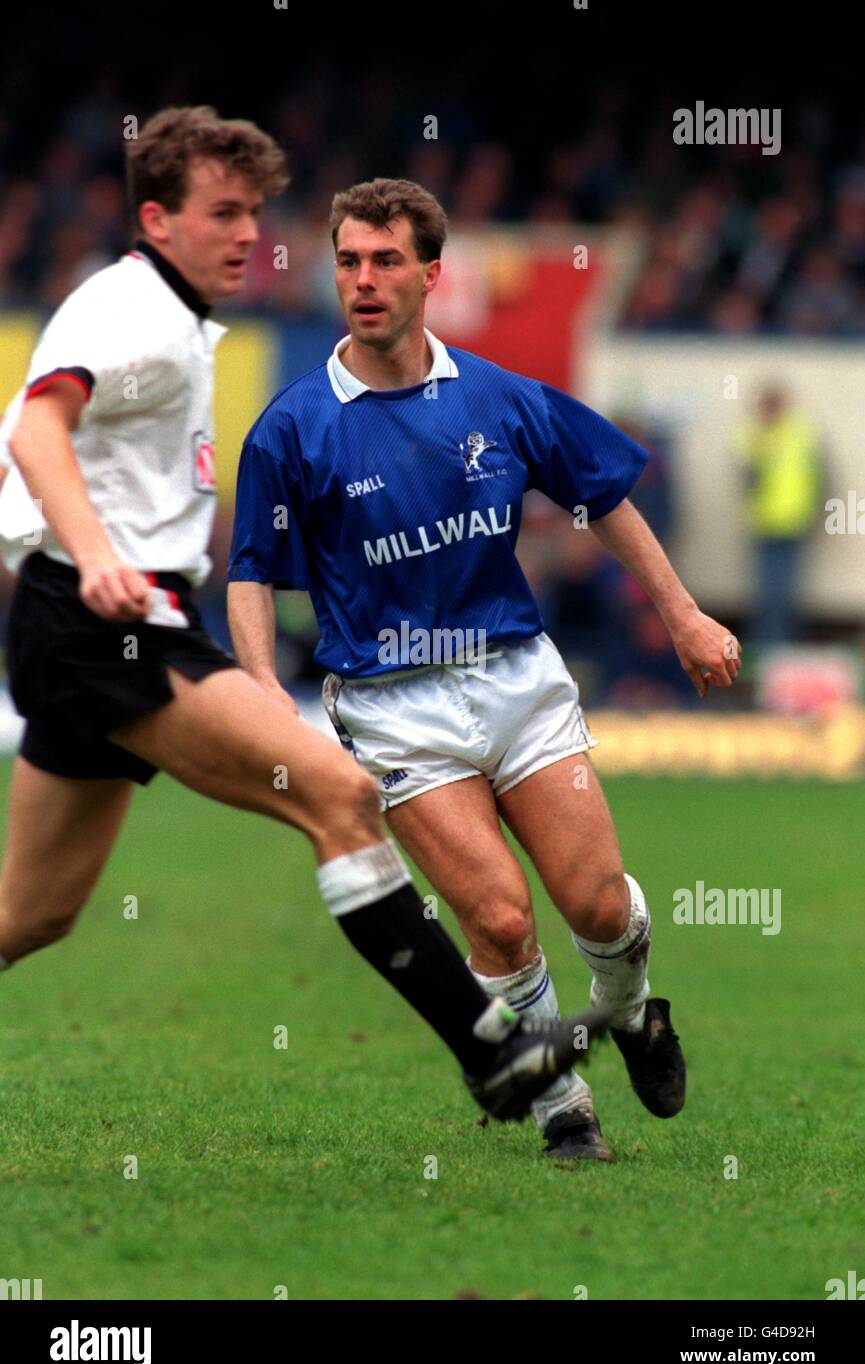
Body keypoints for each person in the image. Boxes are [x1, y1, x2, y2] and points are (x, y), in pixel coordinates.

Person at [0, 116, 601, 1127]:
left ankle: (492, 1053)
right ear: (157, 218)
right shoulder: (131, 309)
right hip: (105, 621)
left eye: (255, 212)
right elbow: (35, 427)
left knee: (31, 914)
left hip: (106, 621)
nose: (248, 234)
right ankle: (490, 1051)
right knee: (334, 790)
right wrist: (98, 553)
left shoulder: (176, 316)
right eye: (223, 213)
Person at [227, 178, 742, 1164]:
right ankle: (564, 1110)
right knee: (500, 920)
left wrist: (679, 611)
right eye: (348, 261)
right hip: (393, 708)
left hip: (516, 679)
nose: (364, 280)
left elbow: (601, 493)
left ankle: (630, 1012)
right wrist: (259, 692)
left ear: (431, 273)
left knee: (597, 905)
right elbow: (251, 571)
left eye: (385, 261)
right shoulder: (292, 428)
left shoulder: (499, 396)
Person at [736, 384, 823, 645]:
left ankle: (778, 642)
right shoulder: (757, 433)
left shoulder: (799, 431)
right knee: (768, 590)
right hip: (765, 522)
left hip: (793, 521)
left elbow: (819, 474)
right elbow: (747, 473)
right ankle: (770, 642)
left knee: (782, 590)